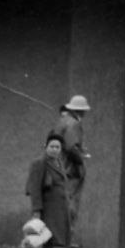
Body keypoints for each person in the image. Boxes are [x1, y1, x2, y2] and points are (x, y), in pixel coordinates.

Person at [26, 134, 72, 248]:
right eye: (52, 146)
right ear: (46, 146)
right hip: (47, 208)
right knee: (46, 239)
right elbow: (34, 188)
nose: (54, 150)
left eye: (57, 147)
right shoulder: (39, 163)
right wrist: (36, 210)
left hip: (57, 210)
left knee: (50, 240)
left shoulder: (59, 163)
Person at [49, 95, 90, 231]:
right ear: (80, 110)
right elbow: (71, 147)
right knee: (70, 202)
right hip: (70, 169)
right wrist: (81, 158)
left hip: (60, 167)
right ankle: (67, 237)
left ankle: (61, 236)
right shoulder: (73, 124)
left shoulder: (62, 121)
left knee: (61, 201)